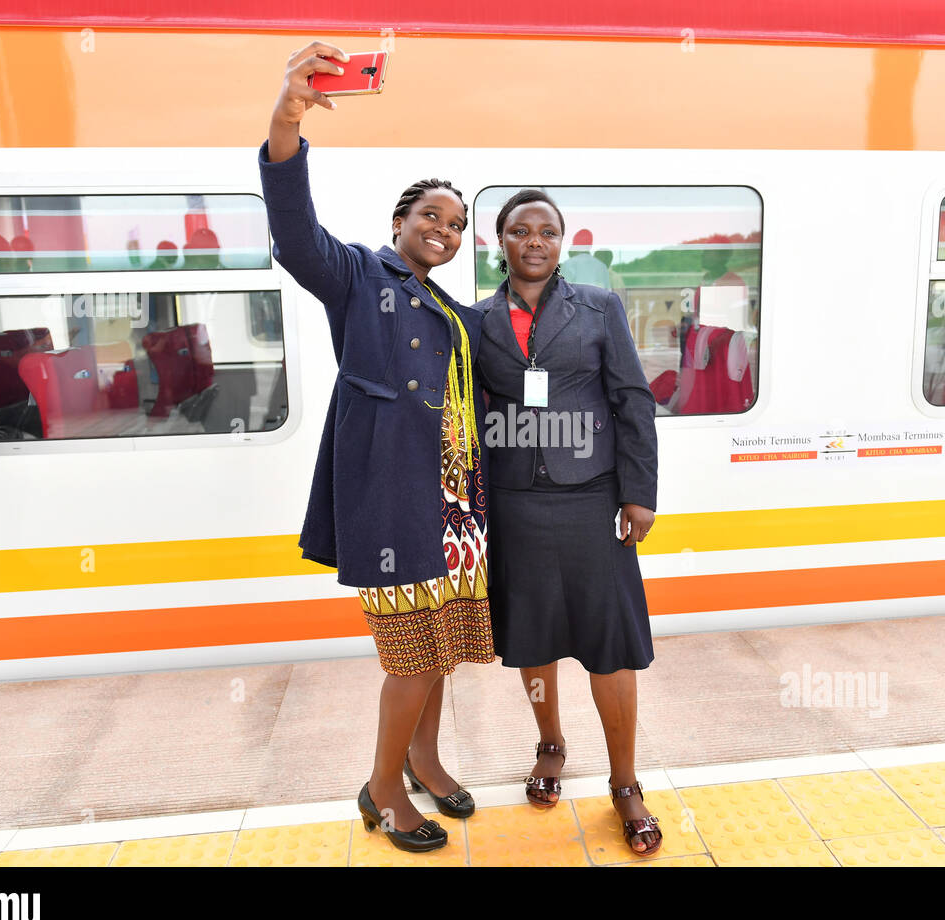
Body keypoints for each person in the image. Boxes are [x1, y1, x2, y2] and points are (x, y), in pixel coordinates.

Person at [257, 41, 493, 853]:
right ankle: (384, 789)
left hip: (456, 510)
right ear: (399, 223)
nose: (444, 231)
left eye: (456, 225)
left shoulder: (452, 308)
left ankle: (425, 759)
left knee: (443, 649)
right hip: (392, 504)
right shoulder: (359, 276)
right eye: (431, 216)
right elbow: (295, 236)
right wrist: (287, 120)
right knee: (412, 657)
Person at [476, 190, 663, 856]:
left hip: (591, 498)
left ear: (562, 242)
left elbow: (632, 400)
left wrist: (638, 493)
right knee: (532, 637)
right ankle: (550, 745)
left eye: (547, 231)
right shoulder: (478, 319)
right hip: (514, 501)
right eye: (520, 230)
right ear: (500, 242)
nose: (534, 241)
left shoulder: (600, 307)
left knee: (610, 641)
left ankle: (625, 783)